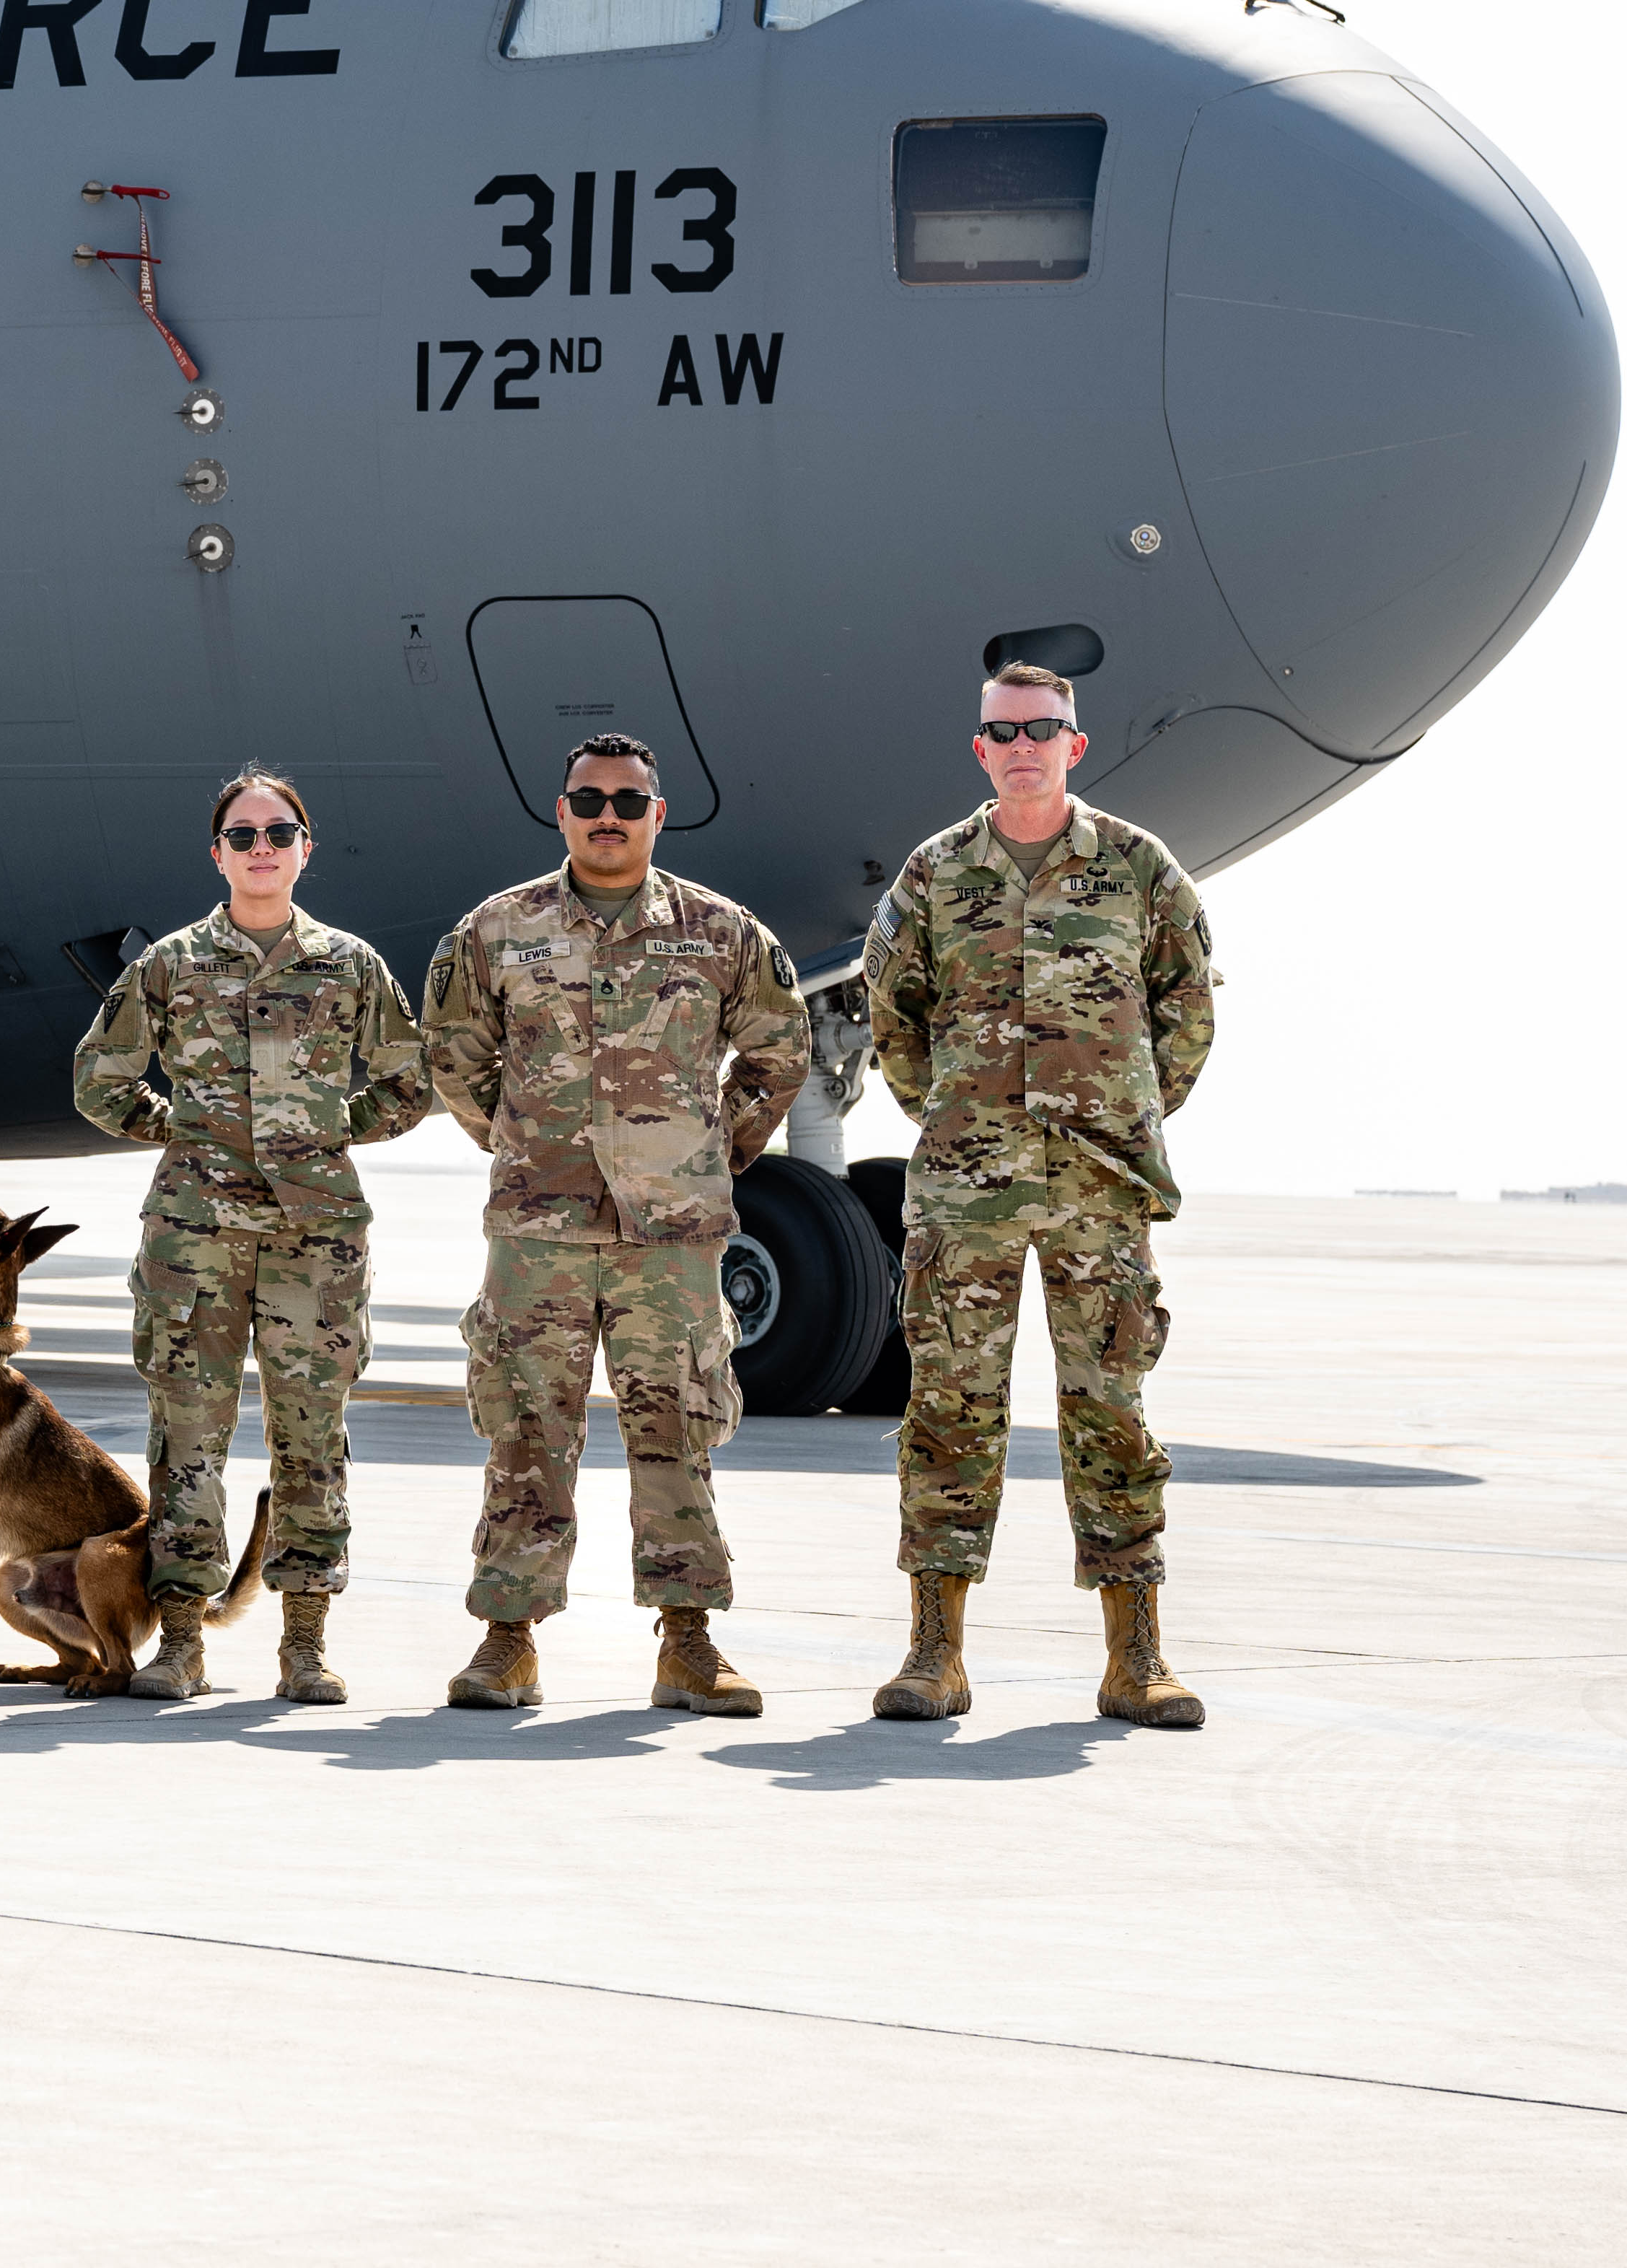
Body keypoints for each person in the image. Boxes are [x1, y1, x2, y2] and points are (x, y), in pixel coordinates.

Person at [860, 660, 1219, 1728]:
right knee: (946, 1411)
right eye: (1002, 729)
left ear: (1075, 740)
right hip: (965, 1190)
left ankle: (1134, 1655)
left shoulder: (1139, 869)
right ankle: (933, 1651)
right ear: (980, 748)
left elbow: (1185, 1014)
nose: (1022, 743)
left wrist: (1120, 1117)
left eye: (1042, 726)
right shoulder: (934, 874)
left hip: (1097, 1188)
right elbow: (895, 1017)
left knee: (1109, 1409)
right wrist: (958, 1119)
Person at [418, 734, 808, 1716]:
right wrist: (518, 1147)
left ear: (656, 813)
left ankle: (688, 1642)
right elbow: (453, 1056)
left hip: (666, 1237)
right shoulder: (496, 930)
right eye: (587, 798)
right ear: (560, 810)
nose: (606, 815)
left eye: (626, 802)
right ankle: (507, 1639)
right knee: (523, 1430)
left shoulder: (719, 933)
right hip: (537, 1230)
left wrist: (706, 1159)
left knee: (676, 1425)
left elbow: (776, 1050)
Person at [69, 766, 429, 1704]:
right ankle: (180, 1639)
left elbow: (407, 1078)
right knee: (185, 1435)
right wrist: (178, 1129)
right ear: (217, 852)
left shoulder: (349, 965)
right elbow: (98, 1077)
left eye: (278, 832)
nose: (259, 847)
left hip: (315, 1239)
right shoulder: (171, 964)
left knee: (311, 1437)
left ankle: (303, 1644)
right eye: (241, 834)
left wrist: (329, 1128)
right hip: (194, 1239)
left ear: (305, 847)